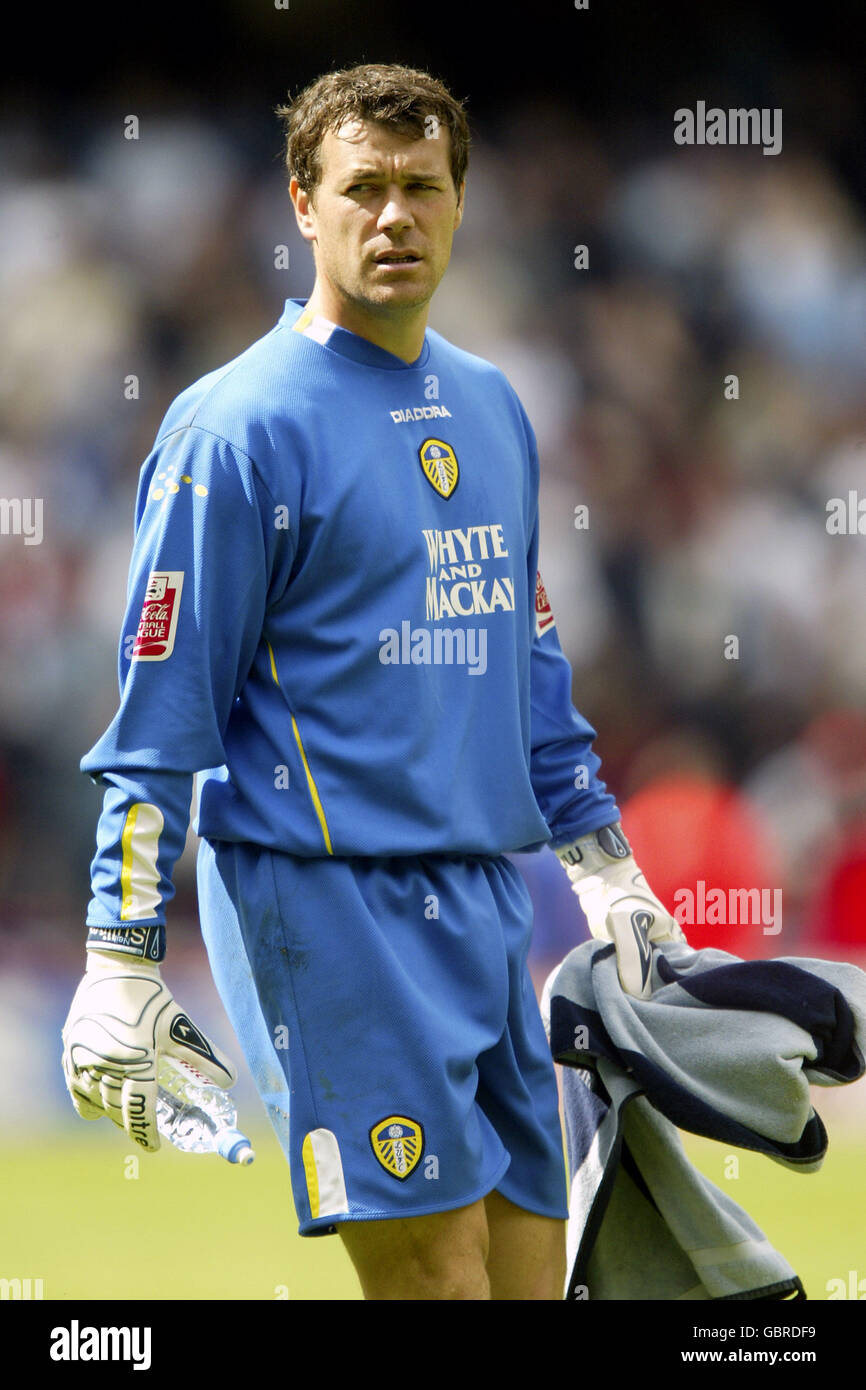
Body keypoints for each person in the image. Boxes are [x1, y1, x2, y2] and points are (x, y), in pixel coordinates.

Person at [61, 62, 683, 1301]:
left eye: (419, 187)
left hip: (480, 902)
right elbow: (160, 716)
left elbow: (529, 665)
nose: (392, 215)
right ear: (302, 203)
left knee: (525, 1290)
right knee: (434, 1290)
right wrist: (119, 950)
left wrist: (604, 867)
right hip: (323, 911)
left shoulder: (495, 404)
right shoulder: (232, 429)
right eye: (360, 189)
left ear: (460, 203)